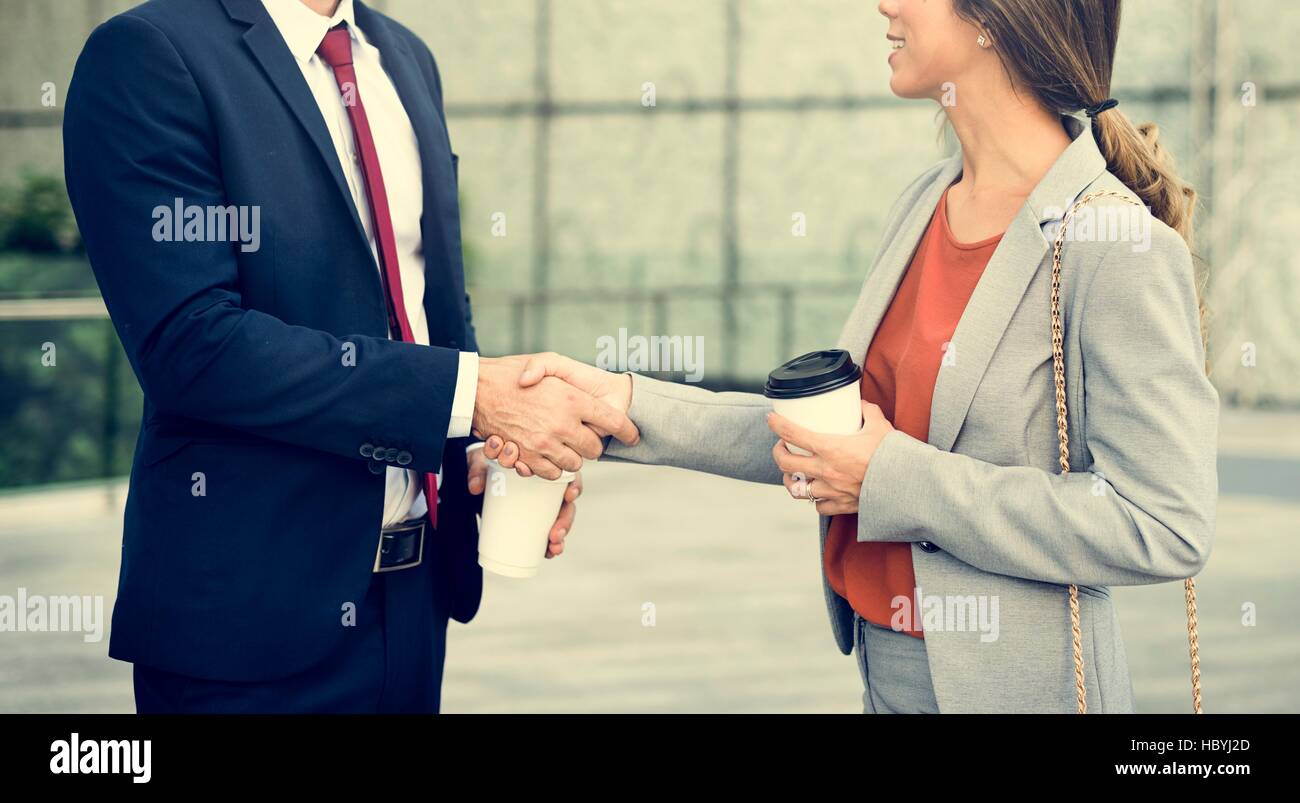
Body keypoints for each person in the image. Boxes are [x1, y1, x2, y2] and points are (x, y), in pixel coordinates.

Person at [491, 0, 1218, 713]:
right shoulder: (923, 203)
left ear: (996, 18)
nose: (884, 6)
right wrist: (614, 403)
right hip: (885, 668)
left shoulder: (1118, 248)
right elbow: (836, 440)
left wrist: (892, 476)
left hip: (1018, 686)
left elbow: (1162, 522)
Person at [62, 0, 636, 713]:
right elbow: (191, 344)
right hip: (247, 629)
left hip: (414, 607)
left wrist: (475, 445)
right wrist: (471, 394)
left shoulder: (405, 57)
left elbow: (427, 309)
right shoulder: (150, 54)